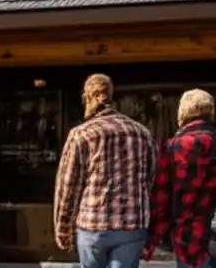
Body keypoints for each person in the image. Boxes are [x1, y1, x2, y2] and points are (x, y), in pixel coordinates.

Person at [54, 74, 156, 268]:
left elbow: (68, 187)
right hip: (132, 224)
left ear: (87, 98)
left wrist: (63, 230)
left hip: (93, 224)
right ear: (111, 96)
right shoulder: (142, 133)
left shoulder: (81, 134)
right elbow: (150, 179)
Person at [145, 89, 216, 268]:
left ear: (182, 113)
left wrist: (152, 239)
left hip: (190, 237)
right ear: (209, 111)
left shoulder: (173, 146)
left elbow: (162, 199)